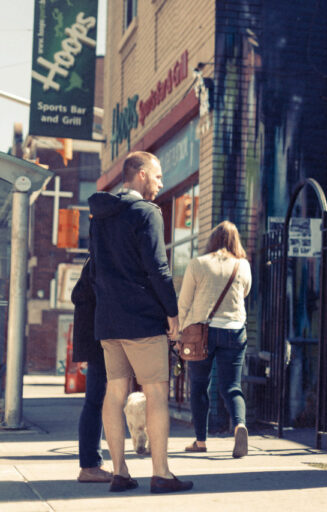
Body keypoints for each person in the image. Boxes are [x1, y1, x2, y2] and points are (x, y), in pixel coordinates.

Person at [88, 151, 192, 494]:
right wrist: (173, 313)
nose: (161, 183)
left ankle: (120, 471)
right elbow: (157, 268)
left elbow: (95, 270)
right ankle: (161, 473)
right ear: (142, 174)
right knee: (157, 392)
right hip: (142, 321)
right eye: (158, 176)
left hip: (108, 320)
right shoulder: (147, 213)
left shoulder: (99, 214)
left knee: (115, 391)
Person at [177, 221, 252, 458]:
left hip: (202, 332)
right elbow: (246, 292)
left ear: (212, 240)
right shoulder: (243, 265)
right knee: (231, 386)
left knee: (200, 386)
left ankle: (200, 441)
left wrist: (179, 332)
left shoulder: (198, 264)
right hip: (234, 330)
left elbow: (185, 301)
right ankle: (240, 425)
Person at [71, 258, 111, 483]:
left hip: (95, 341)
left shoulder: (93, 261)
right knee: (96, 401)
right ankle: (90, 465)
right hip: (101, 341)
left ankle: (91, 463)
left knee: (95, 401)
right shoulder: (100, 261)